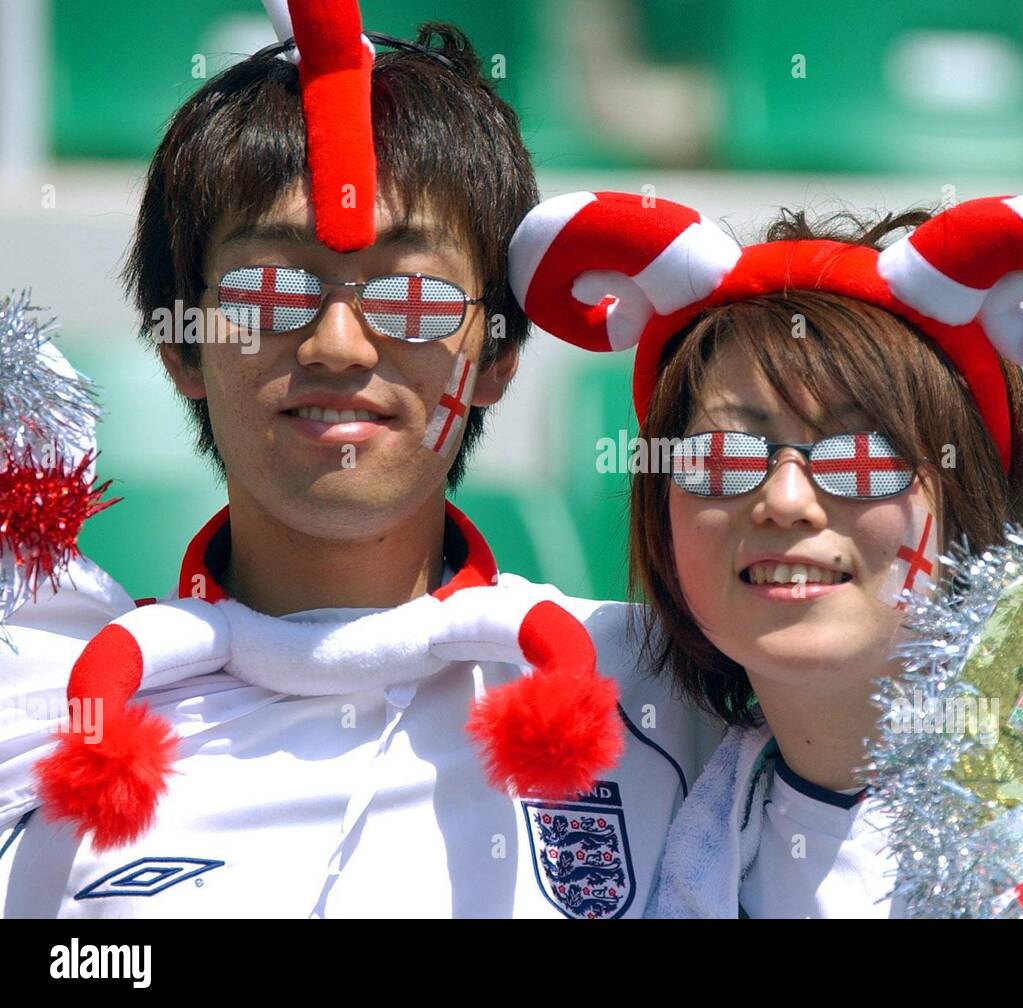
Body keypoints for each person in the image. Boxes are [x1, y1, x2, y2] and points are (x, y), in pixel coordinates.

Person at [0, 13, 875, 919]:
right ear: (182, 345)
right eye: (271, 290)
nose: (339, 345)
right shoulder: (43, 724)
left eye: (410, 294)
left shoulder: (671, 696)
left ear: (498, 355)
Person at [506, 189, 1023, 915]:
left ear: (966, 507)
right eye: (723, 454)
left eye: (862, 457)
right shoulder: (642, 792)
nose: (785, 501)